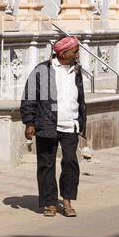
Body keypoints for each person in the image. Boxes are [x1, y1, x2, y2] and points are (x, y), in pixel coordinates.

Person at [21, 36, 87, 218]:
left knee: (70, 163)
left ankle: (66, 200)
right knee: (46, 164)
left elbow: (79, 98)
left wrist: (81, 121)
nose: (77, 54)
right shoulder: (42, 70)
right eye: (75, 51)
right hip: (47, 124)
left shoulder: (76, 71)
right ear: (64, 53)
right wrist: (29, 122)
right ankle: (49, 203)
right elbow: (29, 96)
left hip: (70, 125)